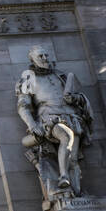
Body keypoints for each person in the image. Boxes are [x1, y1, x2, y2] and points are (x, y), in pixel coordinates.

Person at [17, 45, 93, 196]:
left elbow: (78, 97)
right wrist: (32, 125)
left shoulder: (61, 76)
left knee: (73, 159)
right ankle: (63, 176)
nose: (45, 58)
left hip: (72, 117)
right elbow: (23, 106)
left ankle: (75, 194)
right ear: (32, 59)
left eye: (46, 55)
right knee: (66, 136)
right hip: (49, 119)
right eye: (41, 56)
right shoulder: (28, 78)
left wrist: (74, 98)